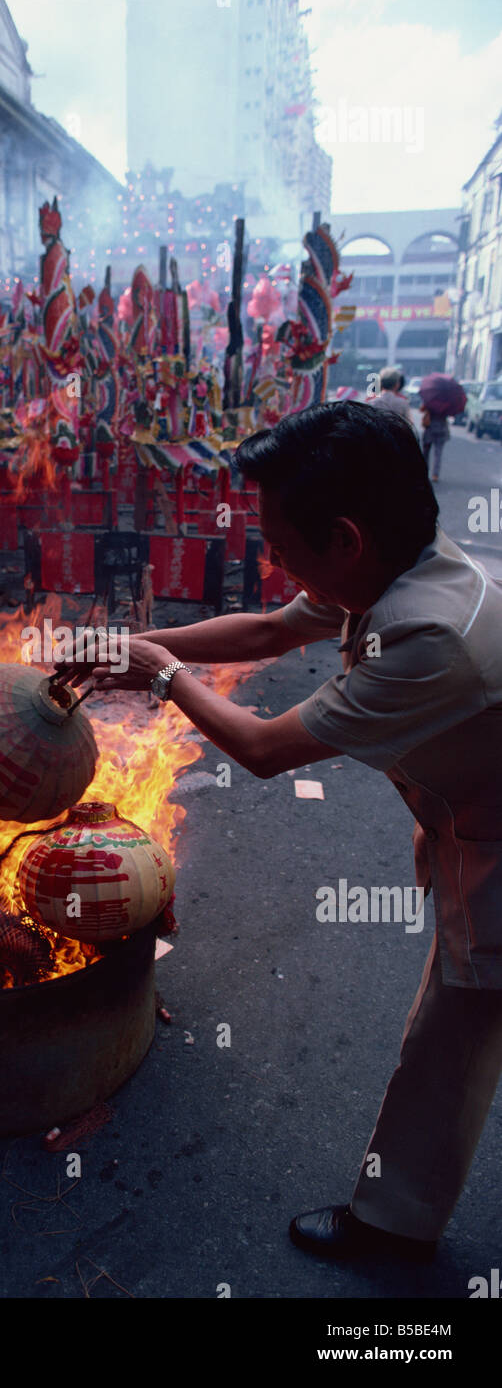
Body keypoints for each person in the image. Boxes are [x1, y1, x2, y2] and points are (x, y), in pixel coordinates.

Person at [65, 400, 502, 1262]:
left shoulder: (427, 639)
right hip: (475, 829)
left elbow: (263, 748)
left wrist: (159, 674)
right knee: (460, 1022)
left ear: (345, 538)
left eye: (280, 543)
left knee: (451, 1033)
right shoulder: (403, 569)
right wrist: (123, 647)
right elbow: (265, 631)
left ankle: (391, 1229)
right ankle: (399, 1217)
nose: (271, 560)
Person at [421, 406, 449, 482]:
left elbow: (421, 409)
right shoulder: (447, 404)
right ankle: (435, 475)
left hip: (430, 429)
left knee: (425, 453)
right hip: (442, 430)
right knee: (438, 454)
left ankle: (424, 472)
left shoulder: (431, 402)